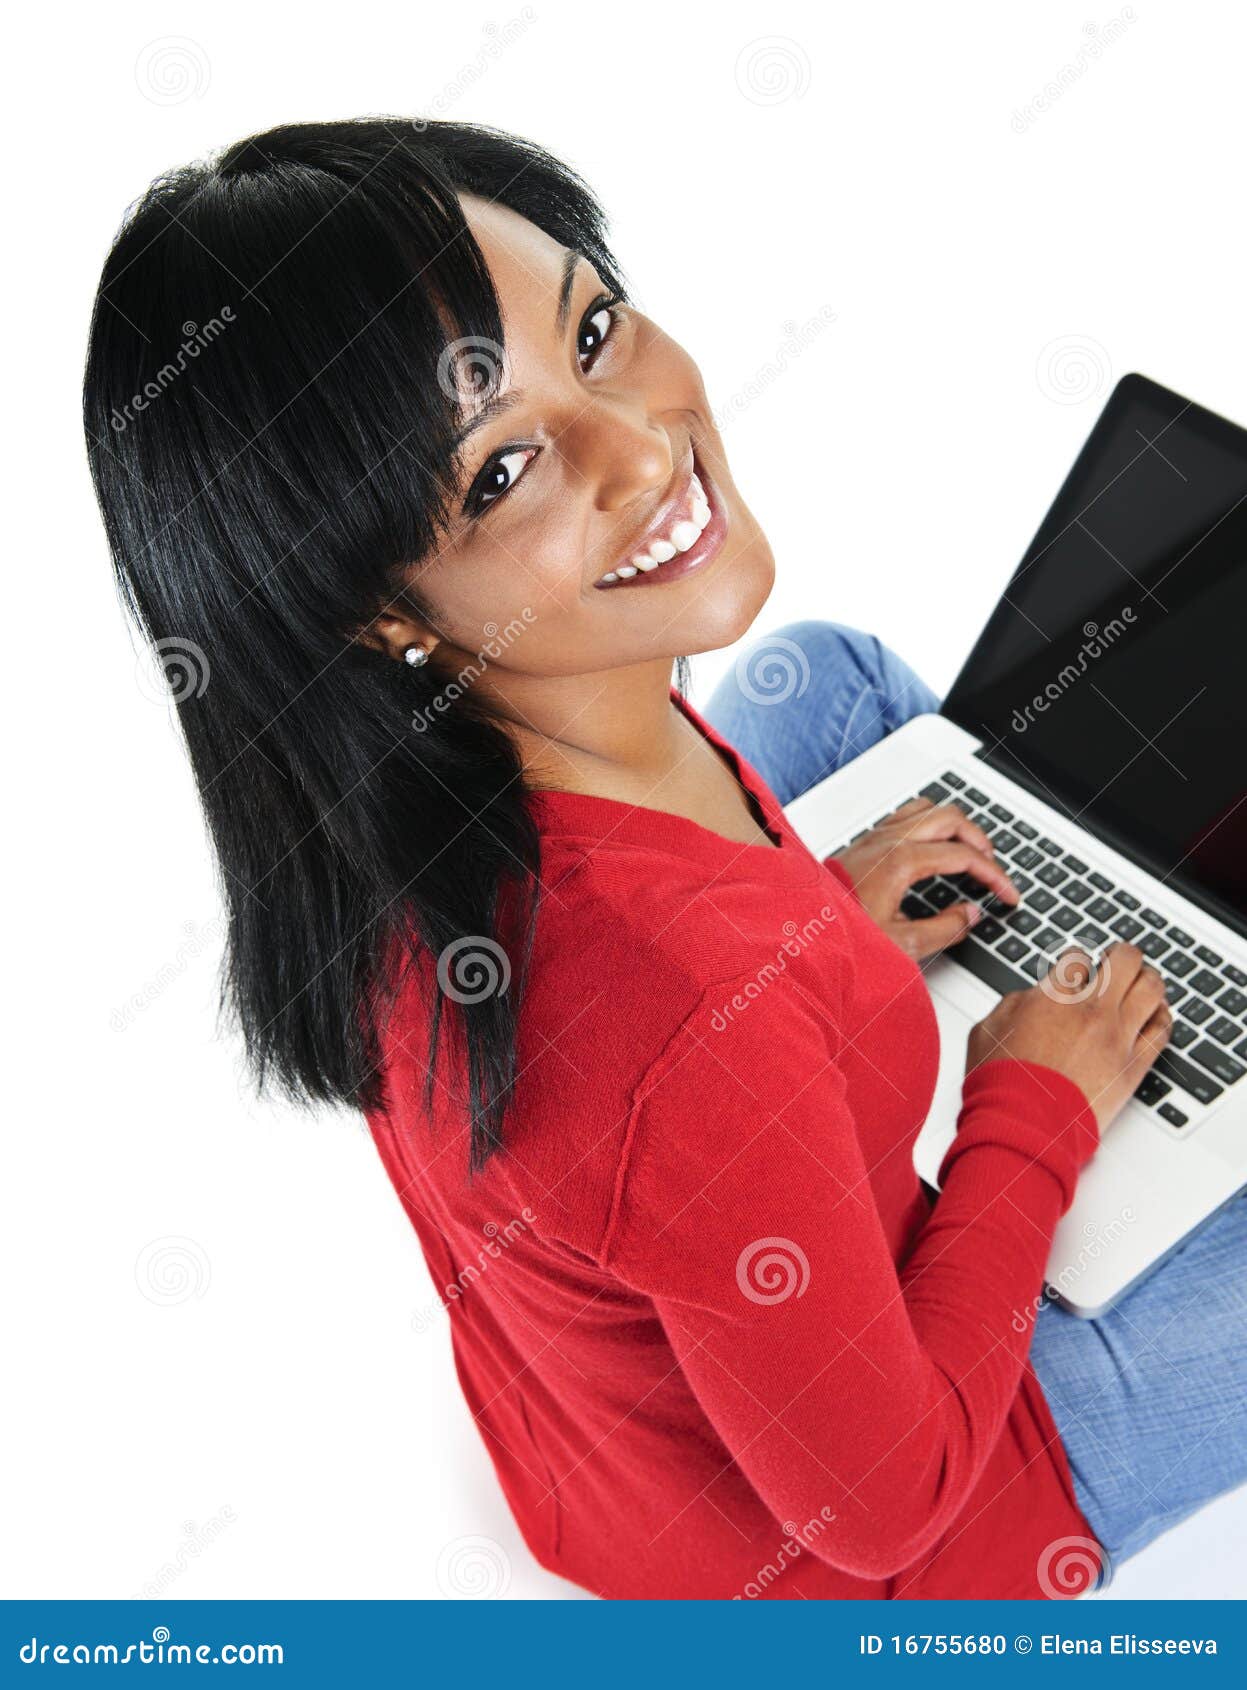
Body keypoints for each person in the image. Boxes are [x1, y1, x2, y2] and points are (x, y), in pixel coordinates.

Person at [84, 119, 1247, 1601]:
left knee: (822, 676)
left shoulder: (379, 807)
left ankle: (1080, 868)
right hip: (943, 1518)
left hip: (603, 1457)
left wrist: (813, 932)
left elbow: (651, 1064)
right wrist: (1028, 1107)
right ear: (378, 610)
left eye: (593, 326)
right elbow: (888, 1506)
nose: (641, 449)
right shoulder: (687, 1022)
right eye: (502, 474)